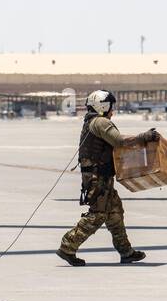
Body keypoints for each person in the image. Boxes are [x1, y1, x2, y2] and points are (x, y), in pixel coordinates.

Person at [57, 90, 158, 266]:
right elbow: (119, 141)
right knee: (97, 215)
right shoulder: (101, 122)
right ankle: (67, 246)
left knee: (115, 213)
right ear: (103, 106)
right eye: (111, 106)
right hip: (98, 178)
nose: (113, 110)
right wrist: (143, 137)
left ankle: (126, 252)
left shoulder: (94, 121)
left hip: (102, 175)